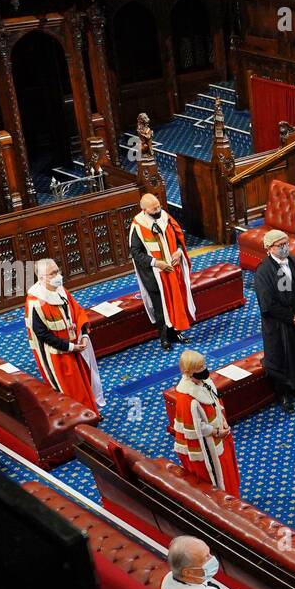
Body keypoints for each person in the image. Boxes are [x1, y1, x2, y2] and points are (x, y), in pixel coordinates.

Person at [24, 259, 104, 412]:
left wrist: (84, 335)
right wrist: (70, 346)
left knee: (84, 380)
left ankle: (91, 412)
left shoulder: (61, 290)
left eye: (57, 271)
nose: (57, 275)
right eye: (52, 273)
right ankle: (81, 420)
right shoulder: (35, 302)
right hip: (58, 354)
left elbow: (77, 311)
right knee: (72, 389)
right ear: (41, 278)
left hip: (76, 344)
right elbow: (41, 334)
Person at [254, 228, 295, 414]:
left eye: (286, 244)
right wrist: (291, 318)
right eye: (280, 245)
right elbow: (268, 304)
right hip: (280, 325)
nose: (285, 248)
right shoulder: (263, 271)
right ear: (269, 248)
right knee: (281, 360)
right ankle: (283, 396)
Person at [129, 193, 195, 350]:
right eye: (154, 209)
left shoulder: (166, 218)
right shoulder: (138, 225)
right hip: (155, 274)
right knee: (160, 307)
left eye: (159, 206)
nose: (158, 210)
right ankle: (164, 338)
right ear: (144, 210)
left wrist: (179, 251)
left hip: (172, 270)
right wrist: (156, 263)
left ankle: (175, 331)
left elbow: (179, 238)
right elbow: (136, 253)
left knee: (175, 301)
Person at [171, 349, 240, 496]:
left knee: (229, 472)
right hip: (207, 447)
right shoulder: (186, 398)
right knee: (217, 482)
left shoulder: (205, 382)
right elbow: (195, 428)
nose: (204, 370)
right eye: (200, 368)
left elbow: (215, 402)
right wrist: (216, 432)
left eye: (204, 365)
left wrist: (223, 421)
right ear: (189, 371)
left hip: (220, 437)